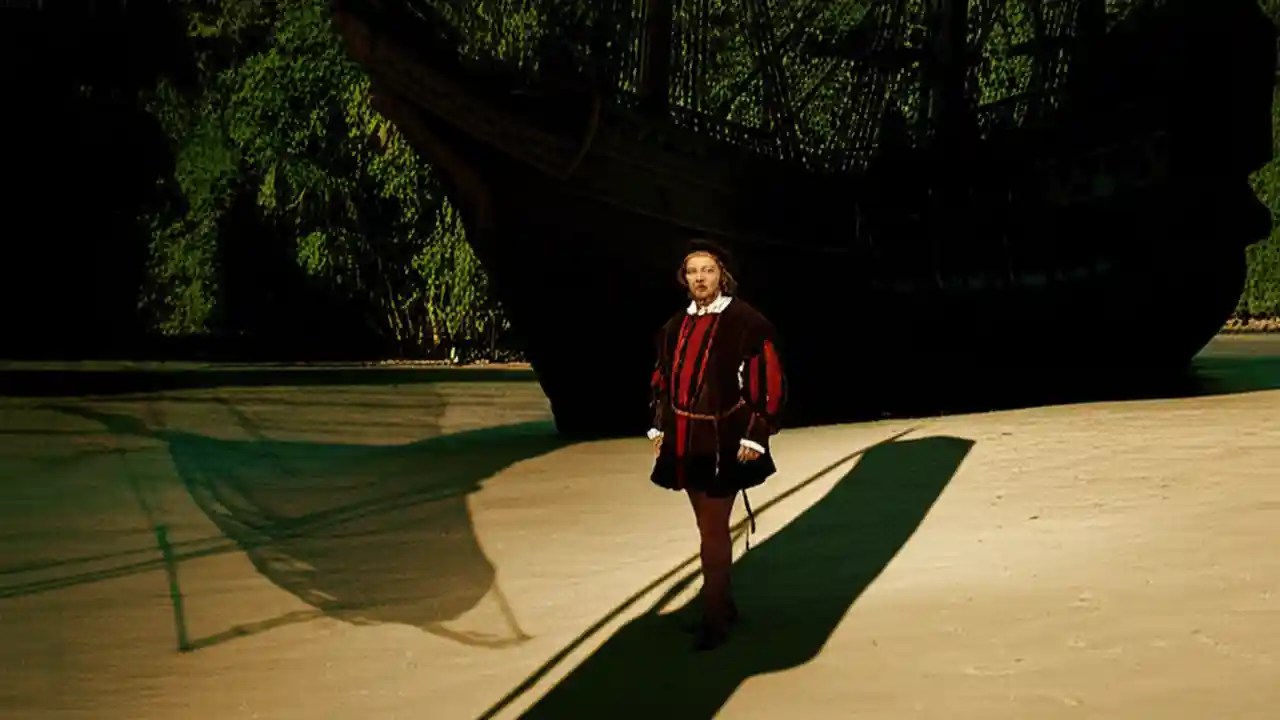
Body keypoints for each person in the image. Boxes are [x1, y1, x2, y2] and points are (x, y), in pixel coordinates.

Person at [648, 238, 787, 651]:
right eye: (692, 272)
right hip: (685, 442)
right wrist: (659, 427)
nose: (699, 279)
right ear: (684, 278)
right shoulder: (674, 327)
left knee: (712, 530)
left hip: (726, 441)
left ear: (721, 275)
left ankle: (714, 618)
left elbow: (769, 381)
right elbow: (662, 381)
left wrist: (756, 434)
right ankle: (723, 605)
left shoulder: (747, 321)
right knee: (707, 527)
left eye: (706, 270)